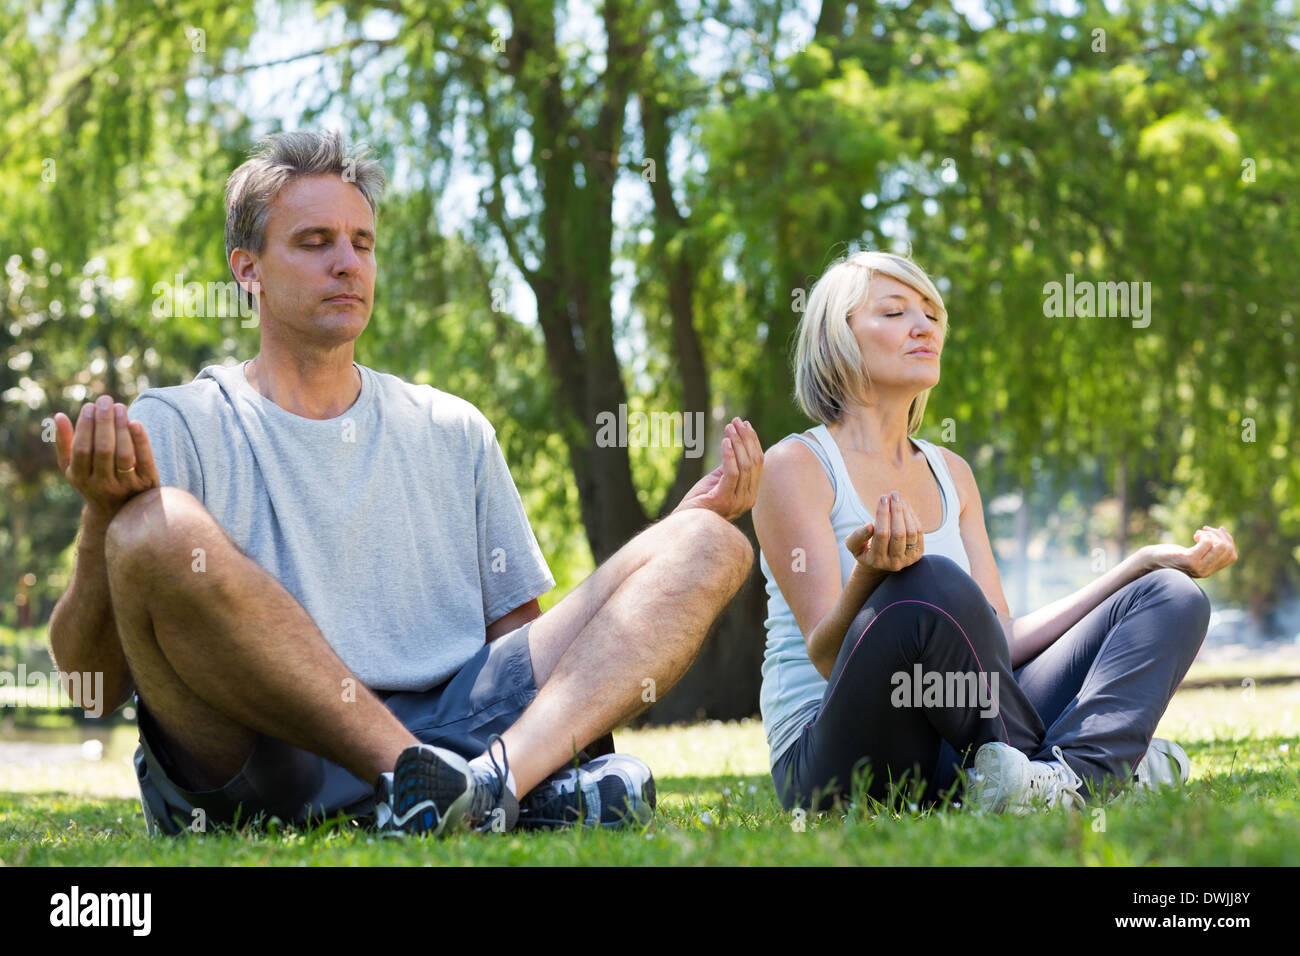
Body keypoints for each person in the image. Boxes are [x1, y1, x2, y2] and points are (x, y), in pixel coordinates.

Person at [47, 129, 762, 838]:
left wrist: (652, 560)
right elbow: (96, 686)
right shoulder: (176, 421)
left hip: (464, 733)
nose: (347, 264)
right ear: (247, 269)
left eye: (362, 242)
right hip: (258, 758)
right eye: (315, 241)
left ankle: (495, 784)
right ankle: (433, 784)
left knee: (711, 542)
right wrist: (101, 523)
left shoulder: (453, 428)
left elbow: (521, 642)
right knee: (151, 527)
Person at [752, 250, 1236, 815]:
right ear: (838, 337)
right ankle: (1108, 764)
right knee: (928, 583)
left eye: (932, 314)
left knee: (1171, 595)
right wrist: (872, 577)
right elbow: (828, 659)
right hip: (835, 758)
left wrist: (1141, 565)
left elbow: (997, 641)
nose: (923, 327)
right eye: (893, 312)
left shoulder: (952, 473)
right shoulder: (795, 466)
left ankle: (1067, 782)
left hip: (963, 743)